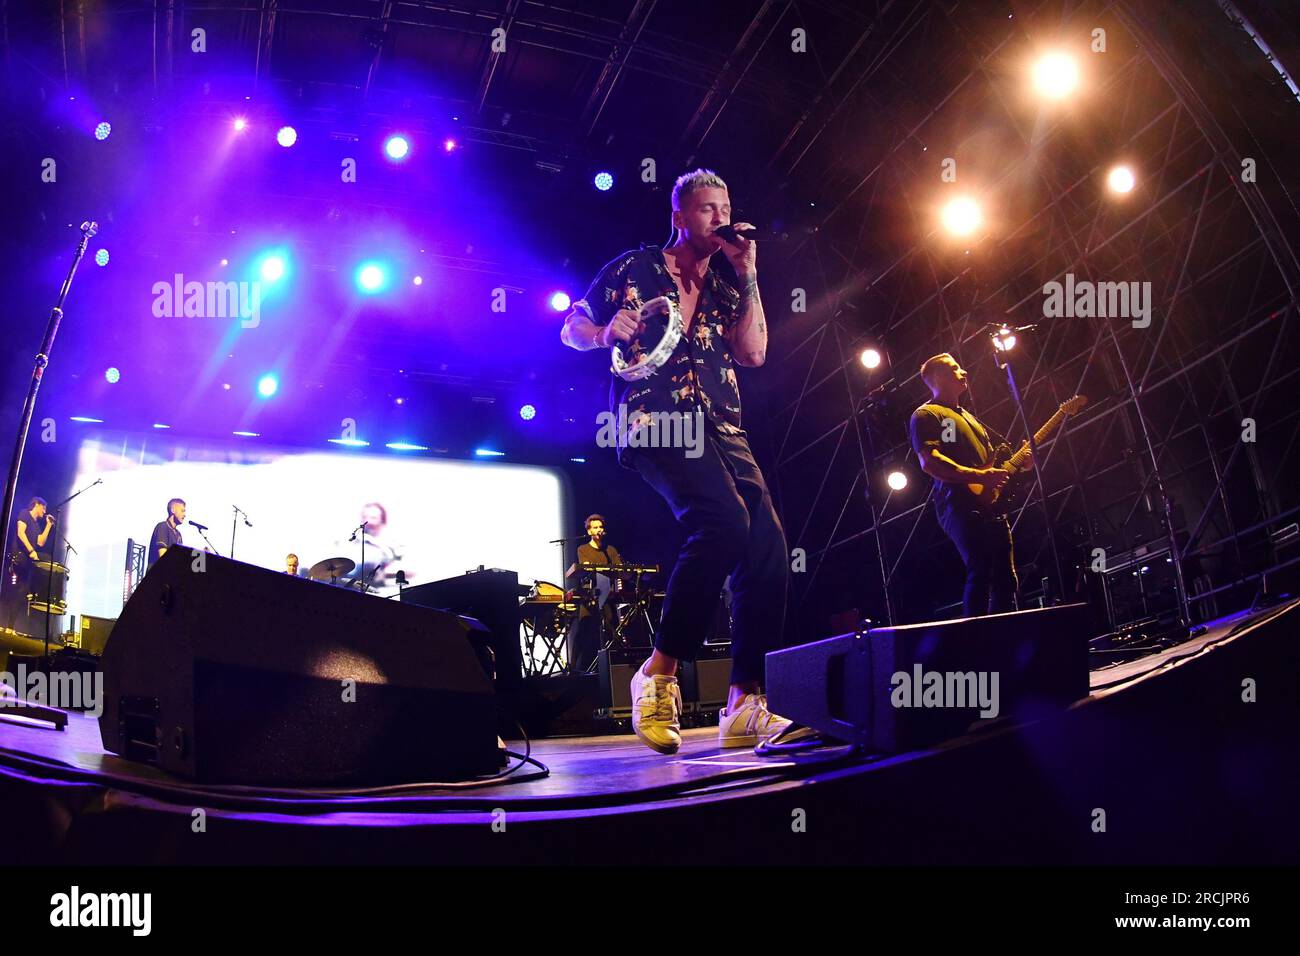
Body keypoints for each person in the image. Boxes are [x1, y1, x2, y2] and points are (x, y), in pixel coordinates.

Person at [561, 168, 792, 754]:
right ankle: (657, 674)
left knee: (766, 548)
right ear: (680, 216)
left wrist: (750, 275)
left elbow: (755, 352)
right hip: (655, 416)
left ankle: (745, 700)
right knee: (722, 522)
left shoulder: (724, 284)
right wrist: (603, 332)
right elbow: (571, 327)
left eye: (725, 207)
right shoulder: (632, 269)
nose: (720, 218)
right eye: (708, 209)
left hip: (723, 423)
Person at [909, 353, 1030, 616]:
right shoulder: (926, 414)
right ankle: (975, 645)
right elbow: (930, 462)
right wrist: (979, 477)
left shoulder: (972, 419)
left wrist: (1021, 465)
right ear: (939, 377)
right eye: (955, 368)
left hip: (991, 506)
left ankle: (1002, 642)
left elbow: (990, 467)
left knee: (1006, 579)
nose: (964, 371)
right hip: (959, 505)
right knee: (981, 568)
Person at [565, 514, 623, 673]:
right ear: (589, 531)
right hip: (590, 595)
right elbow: (585, 569)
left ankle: (611, 668)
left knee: (610, 628)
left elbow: (619, 570)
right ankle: (573, 667)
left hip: (607, 595)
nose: (599, 530)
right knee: (584, 629)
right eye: (595, 527)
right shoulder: (582, 549)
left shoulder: (610, 550)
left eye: (601, 527)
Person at [149, 498, 186, 569]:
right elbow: (163, 556)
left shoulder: (178, 535)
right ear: (172, 510)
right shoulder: (162, 527)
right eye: (182, 511)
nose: (184, 515)